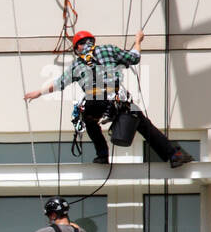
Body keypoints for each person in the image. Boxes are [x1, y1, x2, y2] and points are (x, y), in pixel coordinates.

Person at [24, 30, 195, 167]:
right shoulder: (109, 50)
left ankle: (102, 156)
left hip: (95, 103)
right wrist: (138, 40)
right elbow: (134, 58)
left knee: (89, 121)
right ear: (92, 41)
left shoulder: (77, 64)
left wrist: (38, 93)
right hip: (118, 101)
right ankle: (174, 155)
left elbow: (59, 83)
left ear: (77, 48)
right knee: (142, 123)